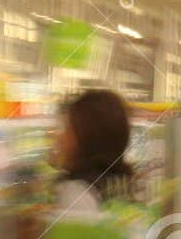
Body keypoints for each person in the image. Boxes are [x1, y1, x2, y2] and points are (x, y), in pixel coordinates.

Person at [54, 89, 133, 217]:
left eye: (67, 128)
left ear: (87, 137)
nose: (60, 137)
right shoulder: (128, 184)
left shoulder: (76, 193)